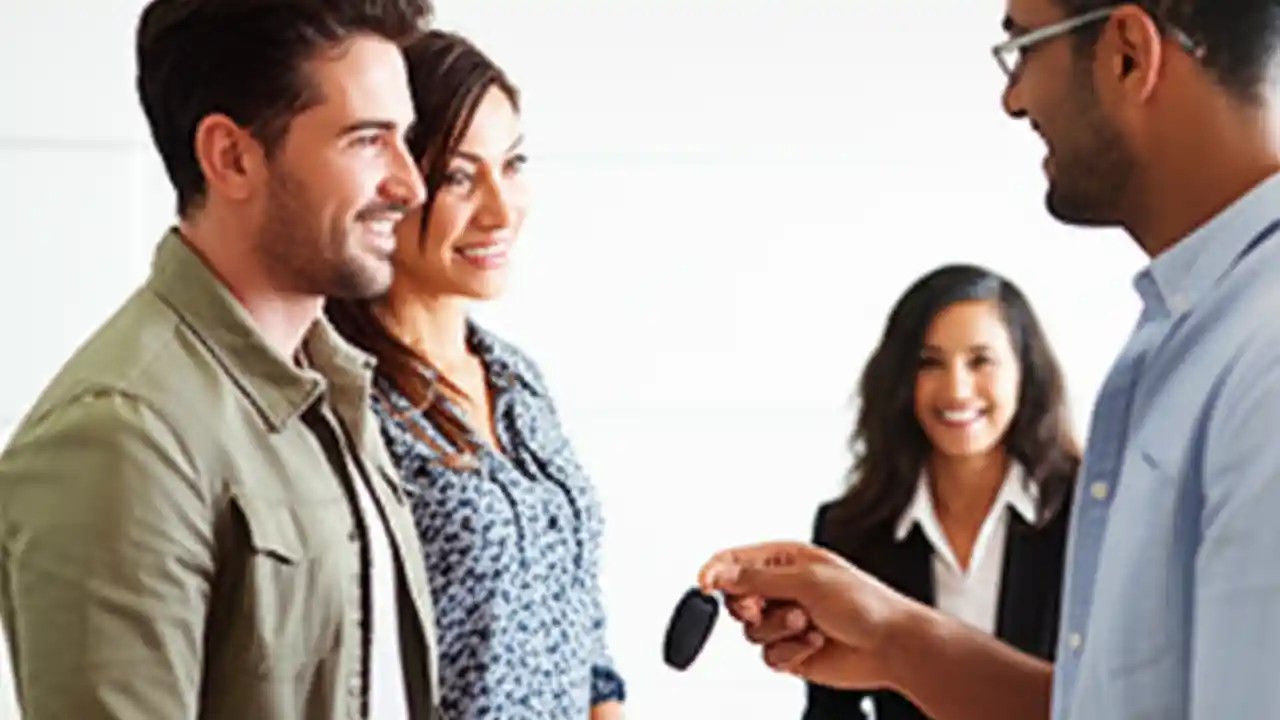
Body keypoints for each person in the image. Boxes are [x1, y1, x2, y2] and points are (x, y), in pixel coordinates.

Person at [700, 1, 1280, 718]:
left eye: (1024, 47)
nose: (1012, 99)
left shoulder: (1260, 357)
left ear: (1127, 52)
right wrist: (896, 640)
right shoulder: (1189, 331)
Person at [0, 1, 442, 718]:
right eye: (367, 141)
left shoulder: (336, 391)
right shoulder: (122, 435)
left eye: (406, 138)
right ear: (231, 157)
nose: (409, 184)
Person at [326, 30, 627, 720]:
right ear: (393, 182)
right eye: (459, 176)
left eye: (512, 163)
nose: (501, 209)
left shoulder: (517, 380)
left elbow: (586, 637)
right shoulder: (346, 403)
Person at [804, 264, 1078, 720]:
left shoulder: (1089, 517)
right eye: (930, 363)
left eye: (980, 361)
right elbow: (831, 714)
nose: (957, 389)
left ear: (1024, 373)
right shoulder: (853, 530)